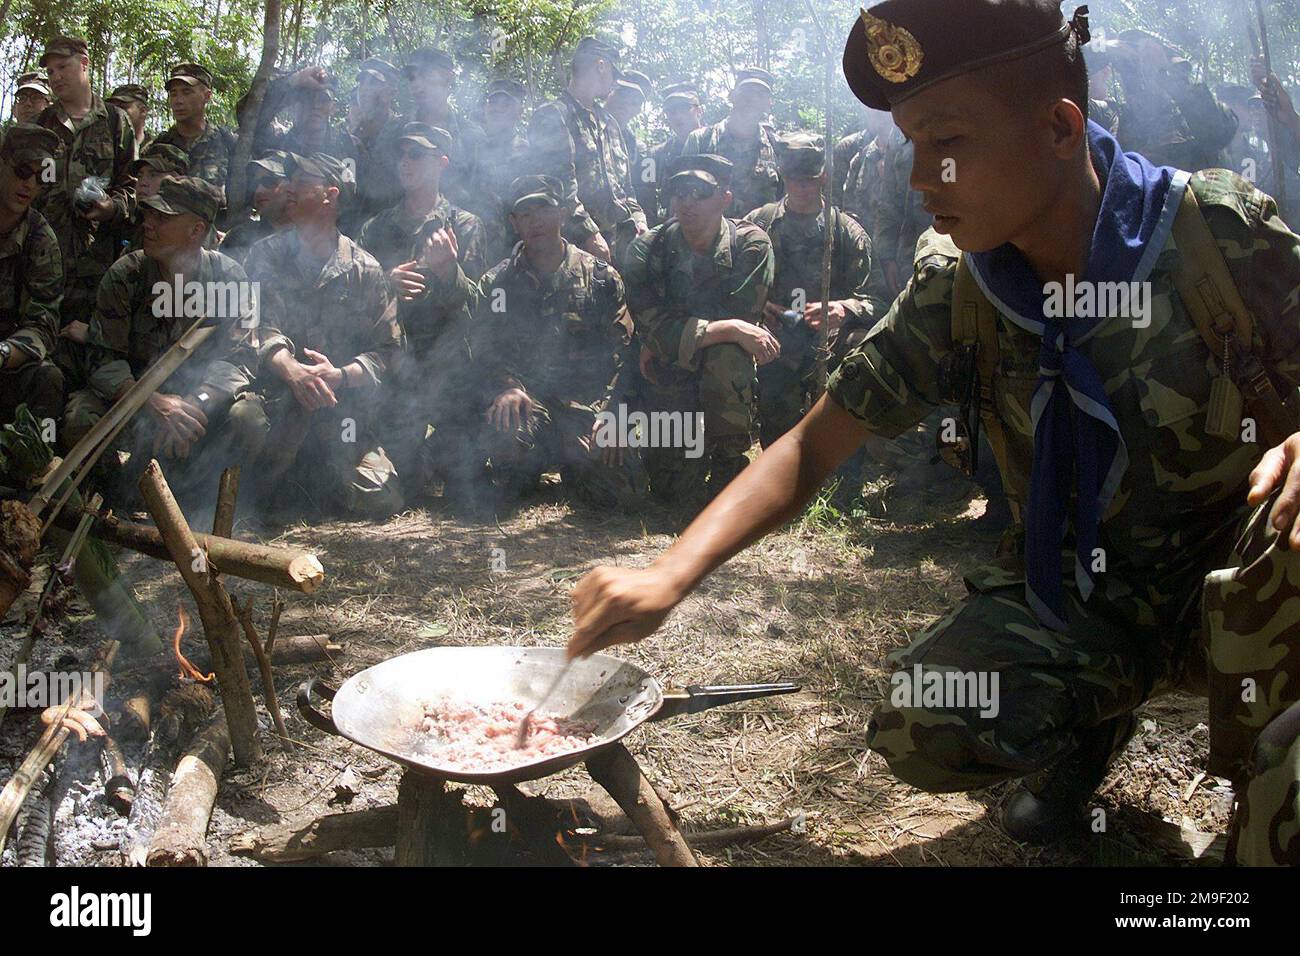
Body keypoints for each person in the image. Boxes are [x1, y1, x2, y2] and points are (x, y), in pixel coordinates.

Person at [568, 0, 1300, 860]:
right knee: (930, 716)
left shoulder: (1215, 237)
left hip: (1246, 592)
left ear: (1060, 128)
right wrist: (668, 574)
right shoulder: (959, 288)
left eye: (948, 142)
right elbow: (811, 445)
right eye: (913, 144)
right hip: (1091, 594)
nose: (921, 178)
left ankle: (1266, 782)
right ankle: (1087, 726)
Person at [60, 175, 265, 501]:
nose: (148, 225)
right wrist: (153, 403)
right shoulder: (126, 274)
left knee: (249, 419)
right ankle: (112, 494)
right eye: (149, 215)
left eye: (163, 218)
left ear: (196, 230)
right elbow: (103, 360)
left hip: (201, 405)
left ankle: (206, 496)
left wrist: (191, 406)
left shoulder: (231, 278)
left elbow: (240, 358)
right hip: (136, 400)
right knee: (80, 417)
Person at [242, 152, 403, 517]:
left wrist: (340, 375)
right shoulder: (263, 256)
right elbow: (249, 325)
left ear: (330, 194)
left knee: (382, 496)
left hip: (337, 410)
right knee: (243, 422)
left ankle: (305, 479)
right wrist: (292, 371)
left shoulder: (365, 269)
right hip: (274, 401)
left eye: (301, 182)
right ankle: (266, 486)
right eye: (288, 181)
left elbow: (389, 352)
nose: (287, 188)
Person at [470, 174, 639, 507]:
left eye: (544, 209)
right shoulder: (497, 283)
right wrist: (506, 387)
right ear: (514, 223)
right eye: (525, 214)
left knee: (623, 493)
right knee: (507, 459)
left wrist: (614, 416)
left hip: (586, 407)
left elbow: (622, 355)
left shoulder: (601, 278)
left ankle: (576, 466)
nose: (536, 221)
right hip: (529, 405)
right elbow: (484, 351)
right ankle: (527, 468)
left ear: (562, 213)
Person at [621, 153, 774, 507]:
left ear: (725, 198)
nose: (687, 202)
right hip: (669, 370)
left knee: (728, 354)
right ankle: (689, 452)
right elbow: (653, 329)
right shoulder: (646, 250)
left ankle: (729, 463)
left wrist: (678, 331)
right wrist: (730, 327)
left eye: (699, 192)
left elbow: (742, 318)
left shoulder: (751, 244)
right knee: (669, 493)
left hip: (721, 369)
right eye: (679, 192)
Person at [356, 123, 486, 499]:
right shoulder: (376, 228)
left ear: (441, 163)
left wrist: (448, 271)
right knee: (400, 484)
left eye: (417, 155)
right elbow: (348, 299)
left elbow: (479, 302)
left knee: (466, 485)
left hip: (450, 369)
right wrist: (385, 282)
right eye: (402, 154)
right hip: (395, 368)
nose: (406, 162)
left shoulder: (464, 225)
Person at [743, 133, 884, 449]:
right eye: (794, 179)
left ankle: (845, 462)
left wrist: (844, 308)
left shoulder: (846, 231)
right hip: (777, 339)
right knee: (779, 434)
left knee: (860, 348)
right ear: (783, 176)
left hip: (831, 342)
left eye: (808, 179)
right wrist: (760, 304)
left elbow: (877, 299)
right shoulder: (758, 224)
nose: (801, 187)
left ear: (823, 177)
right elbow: (729, 284)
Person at [34, 36, 137, 390]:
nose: (56, 77)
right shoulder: (41, 125)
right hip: (43, 264)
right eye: (50, 72)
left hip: (97, 268)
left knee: (91, 359)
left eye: (62, 67)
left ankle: (86, 435)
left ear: (84, 63)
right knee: (44, 357)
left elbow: (133, 187)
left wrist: (112, 207)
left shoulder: (114, 122)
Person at [527, 36, 647, 265]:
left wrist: (639, 220)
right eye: (614, 73)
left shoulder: (609, 123)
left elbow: (626, 188)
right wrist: (589, 234)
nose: (614, 82)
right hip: (574, 249)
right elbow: (559, 186)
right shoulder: (553, 116)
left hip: (618, 246)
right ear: (601, 66)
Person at [0, 125, 65, 427]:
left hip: (7, 359)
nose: (29, 184)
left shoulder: (39, 238)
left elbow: (44, 323)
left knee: (46, 378)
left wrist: (4, 353)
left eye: (40, 177)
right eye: (22, 171)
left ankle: (32, 468)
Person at [680, 67, 783, 218]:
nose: (752, 100)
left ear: (769, 103)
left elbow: (785, 205)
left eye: (760, 95)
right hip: (710, 238)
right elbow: (681, 197)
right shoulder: (701, 141)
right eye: (746, 93)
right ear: (732, 96)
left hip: (763, 238)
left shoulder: (778, 147)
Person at [400, 47, 483, 212]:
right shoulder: (394, 130)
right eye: (412, 77)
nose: (417, 84)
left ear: (448, 77)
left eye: (426, 75)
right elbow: (376, 195)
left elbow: (484, 200)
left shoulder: (472, 136)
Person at [153, 64, 237, 210]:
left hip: (217, 229)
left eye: (187, 92)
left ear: (207, 96)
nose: (178, 100)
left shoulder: (228, 142)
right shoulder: (160, 146)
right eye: (173, 94)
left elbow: (242, 196)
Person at [468, 77, 530, 265]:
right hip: (470, 250)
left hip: (510, 255)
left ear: (519, 112)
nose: (496, 109)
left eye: (506, 104)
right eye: (492, 102)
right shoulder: (470, 146)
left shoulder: (527, 153)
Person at [346, 57, 404, 229]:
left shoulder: (404, 133)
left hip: (390, 234)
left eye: (373, 83)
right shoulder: (347, 136)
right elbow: (344, 186)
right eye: (361, 83)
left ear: (392, 92)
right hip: (349, 231)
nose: (364, 90)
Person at [218, 151, 294, 266]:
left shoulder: (312, 238)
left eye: (269, 182)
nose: (259, 190)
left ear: (292, 187)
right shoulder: (238, 237)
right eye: (255, 183)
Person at [650, 82, 704, 222]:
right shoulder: (656, 155)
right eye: (671, 111)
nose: (678, 115)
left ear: (699, 111)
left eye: (685, 108)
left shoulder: (717, 145)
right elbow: (644, 193)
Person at [106, 84, 150, 151]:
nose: (117, 112)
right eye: (113, 108)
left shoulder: (155, 148)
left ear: (143, 111)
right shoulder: (106, 145)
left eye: (122, 107)